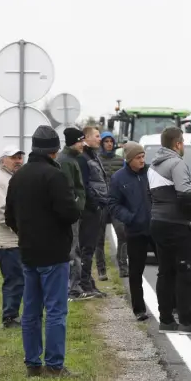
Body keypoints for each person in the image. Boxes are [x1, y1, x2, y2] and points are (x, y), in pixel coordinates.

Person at [4, 125, 82, 377]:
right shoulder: (55, 176)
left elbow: (9, 216)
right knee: (56, 310)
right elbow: (69, 213)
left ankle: (32, 364)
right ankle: (55, 365)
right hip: (54, 253)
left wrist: (26, 234)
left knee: (31, 311)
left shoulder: (18, 176)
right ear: (54, 151)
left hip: (27, 251)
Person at [148, 126, 191, 335]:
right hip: (176, 224)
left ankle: (166, 320)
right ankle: (186, 321)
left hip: (157, 221)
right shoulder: (177, 163)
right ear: (177, 143)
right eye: (182, 142)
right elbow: (184, 194)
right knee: (185, 271)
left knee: (165, 272)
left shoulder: (153, 166)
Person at [109, 142, 152, 322]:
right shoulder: (119, 178)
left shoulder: (152, 173)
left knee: (167, 268)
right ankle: (139, 309)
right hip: (135, 230)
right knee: (135, 271)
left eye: (143, 156)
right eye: (138, 157)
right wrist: (130, 217)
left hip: (156, 227)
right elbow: (113, 204)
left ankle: (170, 307)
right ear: (129, 159)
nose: (142, 160)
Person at [0, 146, 25, 328]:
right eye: (13, 158)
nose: (18, 161)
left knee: (22, 279)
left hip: (20, 240)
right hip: (7, 242)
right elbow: (0, 214)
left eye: (20, 157)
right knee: (14, 280)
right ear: (3, 160)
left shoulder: (15, 178)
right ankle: (9, 318)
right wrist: (23, 227)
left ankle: (18, 315)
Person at [76, 125, 110, 298]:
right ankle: (85, 284)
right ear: (86, 138)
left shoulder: (93, 156)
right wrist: (94, 203)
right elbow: (84, 185)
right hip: (90, 210)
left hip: (98, 208)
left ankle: (89, 281)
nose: (100, 139)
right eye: (96, 136)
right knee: (87, 248)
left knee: (92, 246)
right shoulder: (83, 158)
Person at [58, 128, 91, 301]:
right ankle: (72, 290)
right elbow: (68, 190)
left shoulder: (72, 159)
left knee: (75, 249)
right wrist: (76, 207)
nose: (83, 144)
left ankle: (75, 288)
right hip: (71, 214)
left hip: (75, 213)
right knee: (72, 251)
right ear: (73, 142)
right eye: (80, 141)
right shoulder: (66, 162)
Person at [95, 130, 127, 280]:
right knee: (98, 238)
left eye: (111, 141)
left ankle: (123, 267)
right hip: (100, 204)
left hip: (116, 203)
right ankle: (101, 270)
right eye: (106, 141)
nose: (108, 144)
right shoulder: (95, 160)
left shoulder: (121, 161)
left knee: (122, 234)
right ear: (101, 143)